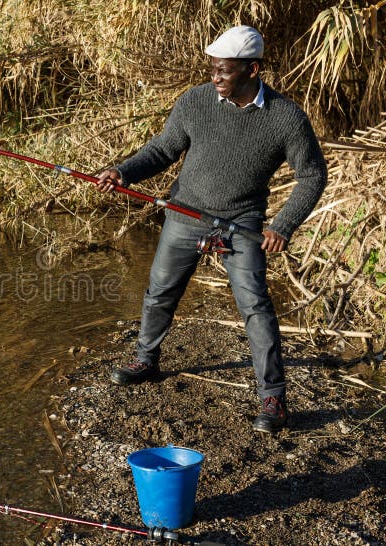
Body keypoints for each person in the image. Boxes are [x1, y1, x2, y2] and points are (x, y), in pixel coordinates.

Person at [96, 25, 327, 433]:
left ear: (252, 69)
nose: (215, 77)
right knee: (160, 291)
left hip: (242, 224)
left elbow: (312, 176)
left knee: (255, 307)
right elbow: (163, 149)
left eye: (223, 71)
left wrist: (283, 225)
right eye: (213, 69)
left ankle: (273, 397)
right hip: (185, 214)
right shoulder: (197, 101)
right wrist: (124, 171)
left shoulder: (286, 117)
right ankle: (145, 359)